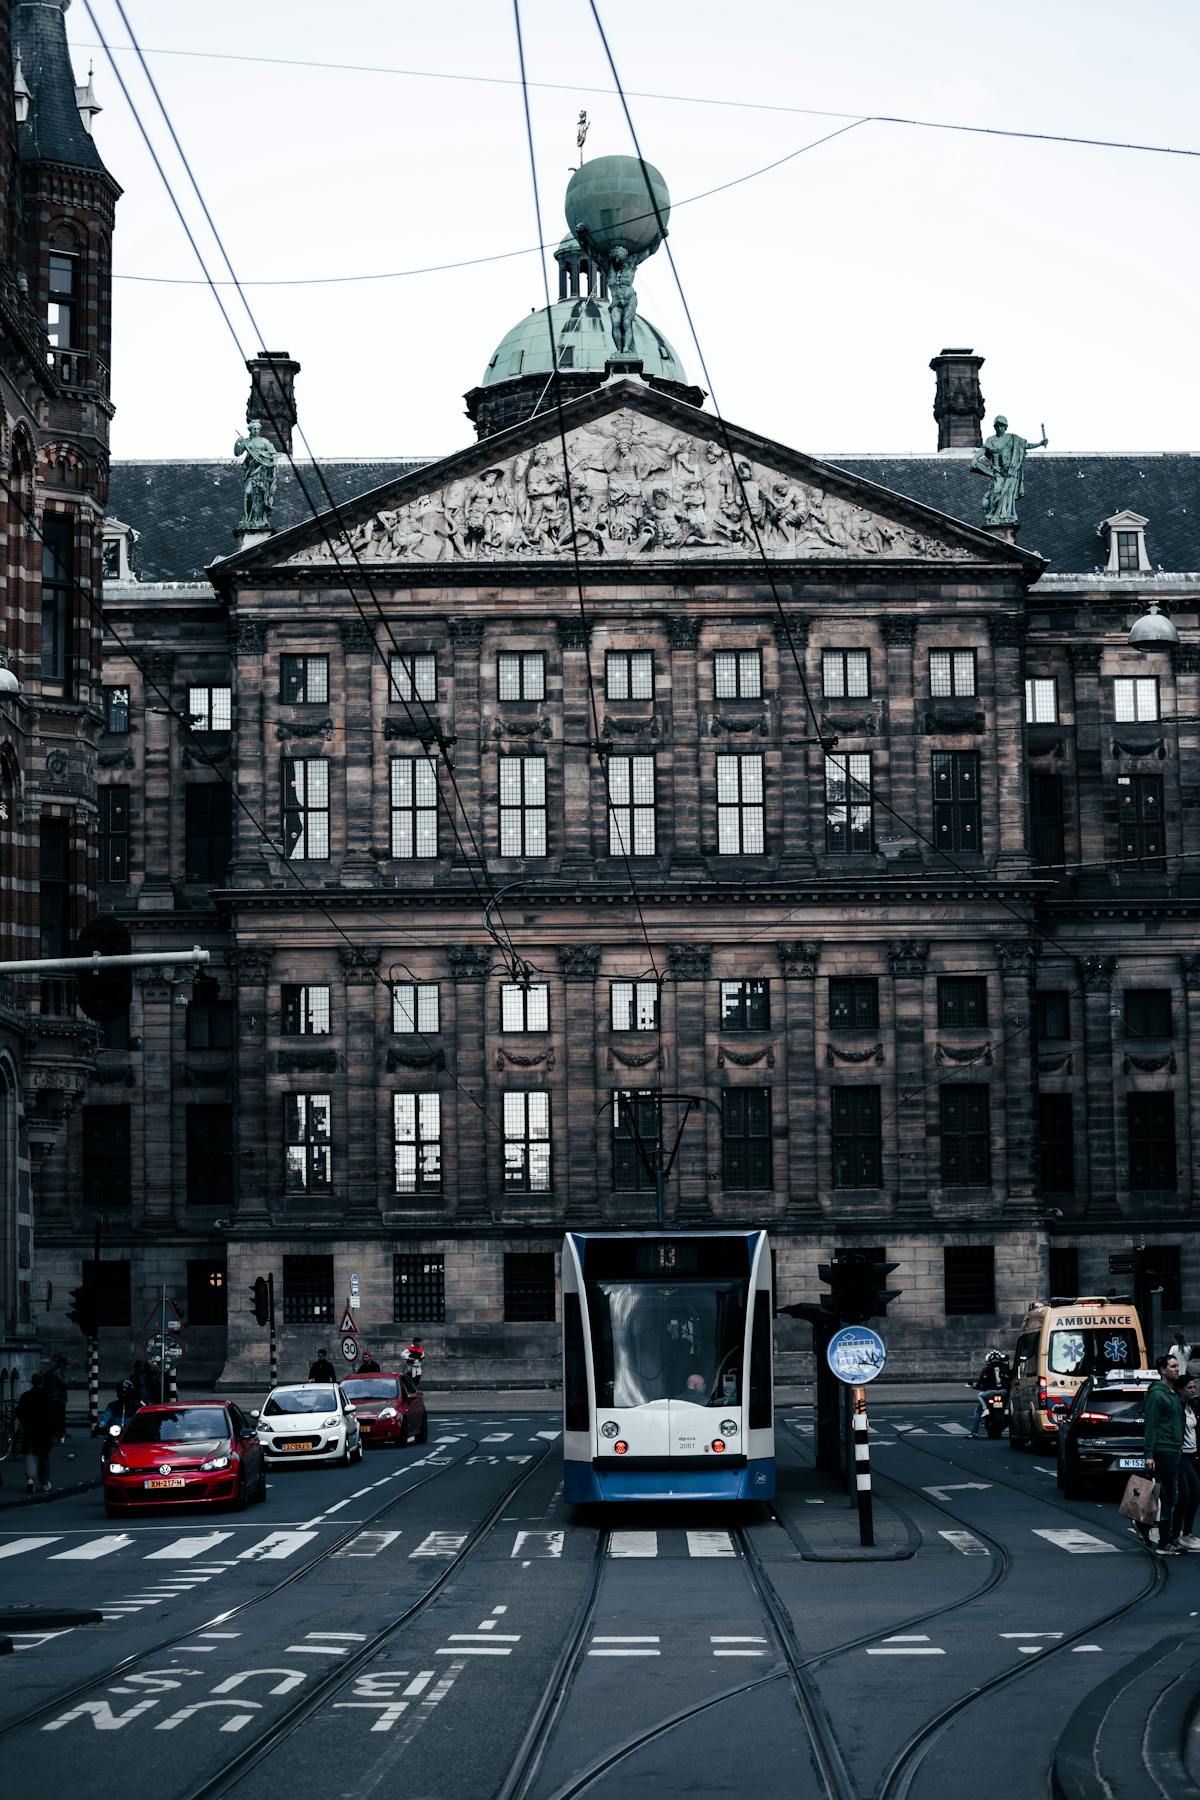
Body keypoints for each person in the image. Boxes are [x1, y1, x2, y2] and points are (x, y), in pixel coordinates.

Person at [1143, 1352, 1184, 1553]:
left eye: (1177, 1366)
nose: (1177, 1369)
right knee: (1168, 1496)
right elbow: (1150, 1425)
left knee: (1170, 1495)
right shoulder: (1157, 1394)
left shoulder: (1171, 1393)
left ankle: (1164, 1536)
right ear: (1162, 1370)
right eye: (1173, 1366)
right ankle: (1164, 1540)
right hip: (1163, 1450)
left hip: (1173, 1449)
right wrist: (1149, 1454)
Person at [1173, 1374, 1200, 1551]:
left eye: (1194, 1387)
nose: (1193, 1390)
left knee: (1195, 1493)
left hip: (1192, 1455)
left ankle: (1187, 1533)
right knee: (1185, 1495)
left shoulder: (1194, 1405)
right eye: (1189, 1387)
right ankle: (1177, 1535)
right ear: (1181, 1389)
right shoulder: (1177, 1405)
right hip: (1180, 1455)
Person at [16, 1373, 55, 1494]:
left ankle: (30, 1481)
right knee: (43, 1456)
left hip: (29, 1430)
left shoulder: (25, 1396)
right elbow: (51, 1415)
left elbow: (19, 1412)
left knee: (29, 1454)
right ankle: (44, 1482)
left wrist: (23, 1424)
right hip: (43, 1431)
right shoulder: (47, 1396)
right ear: (42, 1382)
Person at [969, 1349, 1012, 1438]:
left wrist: (975, 1386)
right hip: (1003, 1392)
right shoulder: (1004, 1368)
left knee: (978, 1405)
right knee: (1009, 1397)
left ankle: (974, 1432)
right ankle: (1006, 1410)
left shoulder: (986, 1369)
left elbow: (981, 1383)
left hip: (990, 1393)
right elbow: (1009, 1379)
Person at [44, 1353, 69, 1443]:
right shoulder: (57, 1372)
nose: (65, 1367)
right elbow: (63, 1383)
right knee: (59, 1416)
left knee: (59, 1416)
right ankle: (59, 1433)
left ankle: (60, 1432)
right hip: (57, 1398)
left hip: (58, 1397)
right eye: (65, 1364)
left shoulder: (54, 1371)